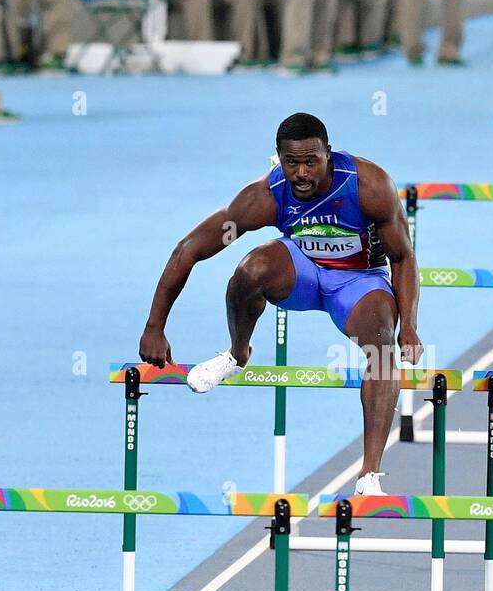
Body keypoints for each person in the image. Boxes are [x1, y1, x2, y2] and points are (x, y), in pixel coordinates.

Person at [138, 112, 422, 495]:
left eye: (311, 162)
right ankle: (236, 355)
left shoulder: (369, 186)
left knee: (382, 347)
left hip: (357, 283)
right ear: (278, 158)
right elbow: (190, 249)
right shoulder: (265, 197)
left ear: (328, 154)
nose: (302, 173)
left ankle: (369, 475)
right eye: (292, 163)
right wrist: (155, 325)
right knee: (249, 270)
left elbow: (403, 258)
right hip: (301, 273)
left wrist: (410, 327)